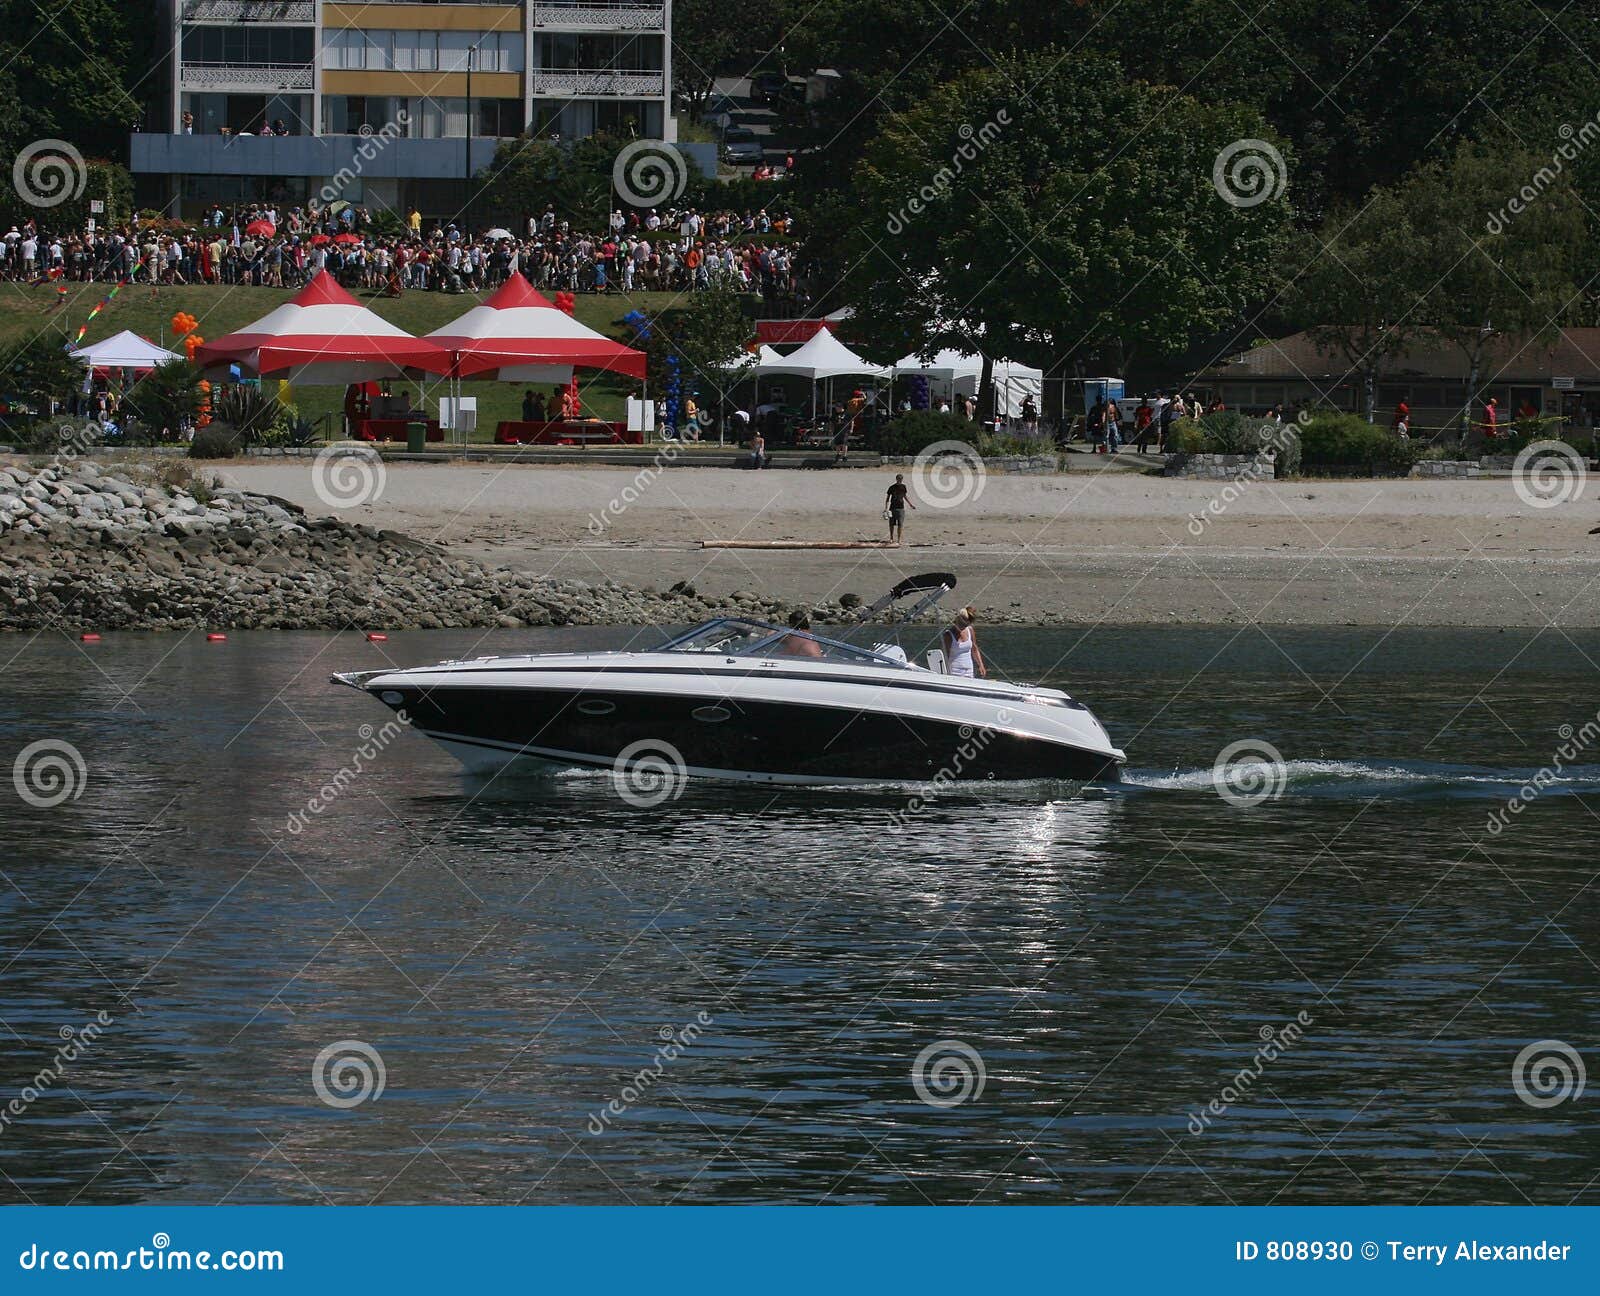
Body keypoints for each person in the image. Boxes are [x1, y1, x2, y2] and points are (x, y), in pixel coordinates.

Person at [942, 606, 986, 679]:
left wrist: (981, 665)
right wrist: (945, 673)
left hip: (969, 670)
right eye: (962, 624)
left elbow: (974, 649)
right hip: (954, 671)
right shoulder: (948, 635)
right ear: (957, 620)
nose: (964, 627)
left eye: (966, 625)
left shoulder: (970, 630)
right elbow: (945, 655)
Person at [885, 472, 914, 542]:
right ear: (896, 479)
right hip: (892, 508)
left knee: (900, 524)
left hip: (901, 508)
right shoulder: (891, 487)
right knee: (891, 524)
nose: (899, 480)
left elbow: (904, 496)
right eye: (898, 479)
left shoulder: (903, 487)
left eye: (901, 479)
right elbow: (887, 498)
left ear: (902, 479)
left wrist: (910, 504)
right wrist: (886, 508)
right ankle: (891, 538)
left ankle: (899, 539)